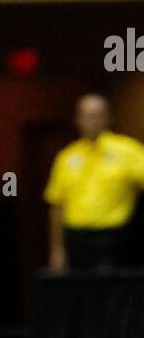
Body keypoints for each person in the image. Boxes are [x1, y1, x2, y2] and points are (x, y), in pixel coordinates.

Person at [44, 93, 144, 271]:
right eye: (85, 115)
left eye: (97, 115)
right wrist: (57, 250)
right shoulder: (67, 156)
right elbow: (56, 205)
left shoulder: (128, 150)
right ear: (77, 119)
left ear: (109, 117)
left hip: (115, 240)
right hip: (76, 240)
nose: (91, 120)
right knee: (79, 295)